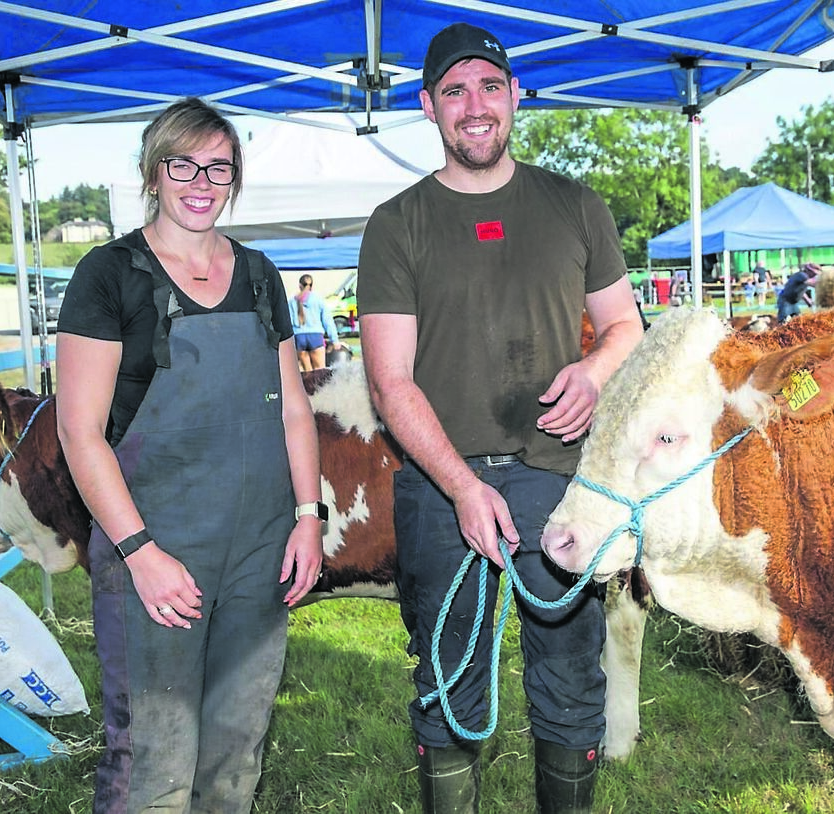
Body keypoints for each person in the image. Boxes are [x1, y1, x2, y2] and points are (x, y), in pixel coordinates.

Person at [357, 22, 644, 814]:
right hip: (440, 484)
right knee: (448, 678)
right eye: (455, 91)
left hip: (557, 478)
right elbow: (390, 381)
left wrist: (592, 372)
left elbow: (626, 327)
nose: (474, 105)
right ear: (428, 107)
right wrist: (458, 486)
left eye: (490, 86)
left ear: (517, 95)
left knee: (569, 666)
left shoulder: (574, 205)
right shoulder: (398, 223)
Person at [55, 97, 324, 814]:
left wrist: (308, 517)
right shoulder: (108, 275)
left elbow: (293, 407)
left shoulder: (262, 274)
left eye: (218, 167)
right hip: (156, 549)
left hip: (259, 552)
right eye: (184, 163)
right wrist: (140, 552)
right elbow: (79, 433)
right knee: (154, 760)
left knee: (236, 750)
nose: (201, 181)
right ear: (153, 168)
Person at [290, 272, 341, 370]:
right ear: (311, 286)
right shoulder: (318, 299)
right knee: (320, 371)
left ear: (300, 285)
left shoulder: (292, 301)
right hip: (315, 336)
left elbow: (288, 323)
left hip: (299, 337)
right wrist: (334, 340)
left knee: (307, 373)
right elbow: (328, 321)